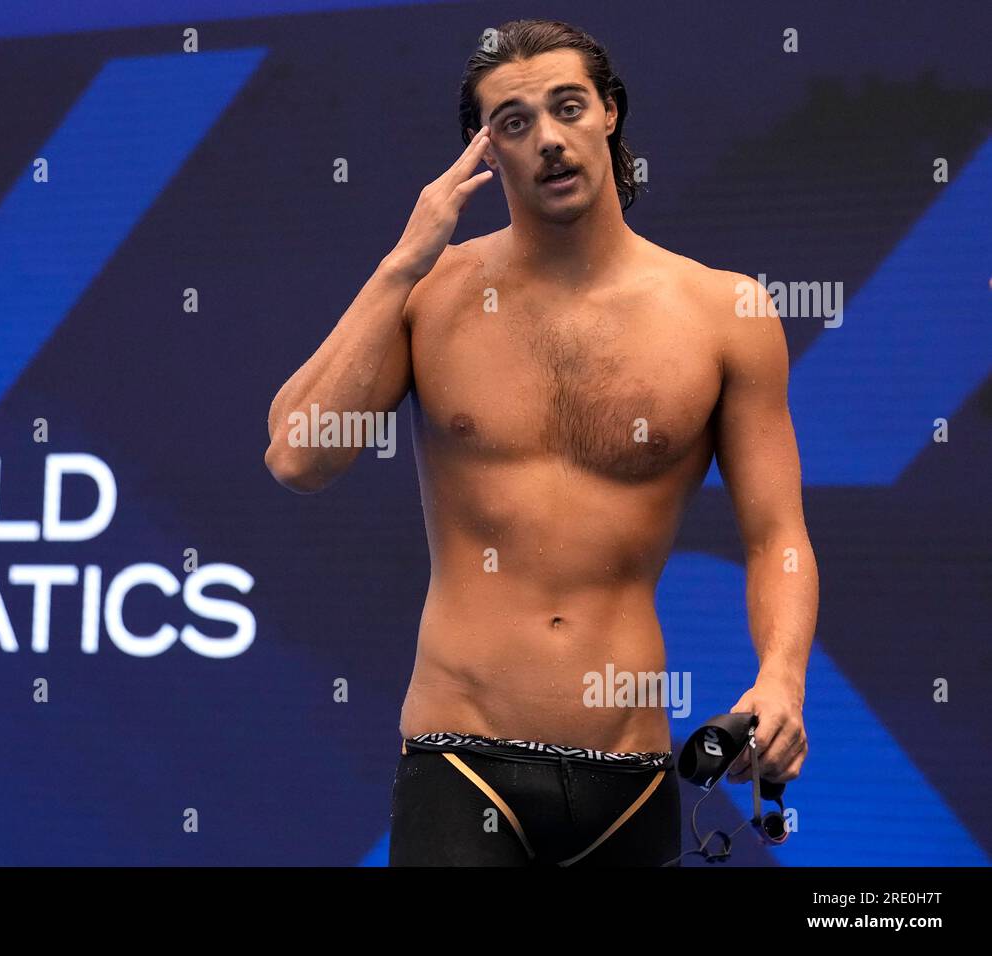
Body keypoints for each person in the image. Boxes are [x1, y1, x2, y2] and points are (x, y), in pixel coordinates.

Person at [264, 18, 816, 866]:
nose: (549, 140)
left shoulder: (723, 312)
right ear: (485, 152)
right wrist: (401, 264)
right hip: (463, 758)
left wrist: (781, 676)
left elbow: (776, 535)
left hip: (630, 776)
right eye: (514, 123)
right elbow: (299, 457)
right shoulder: (432, 293)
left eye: (568, 107)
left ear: (610, 114)